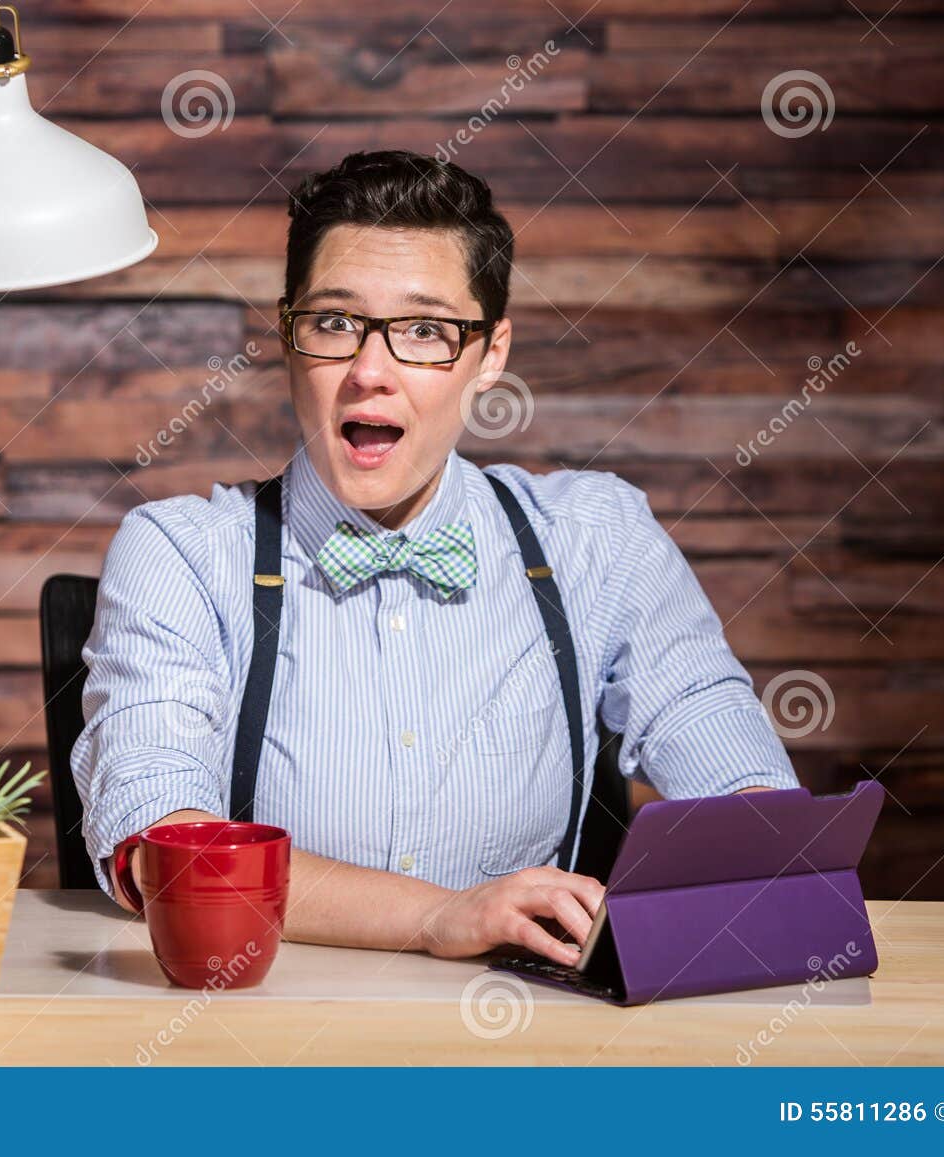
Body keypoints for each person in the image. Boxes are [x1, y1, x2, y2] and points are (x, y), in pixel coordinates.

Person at [73, 149, 799, 967]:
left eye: (425, 331)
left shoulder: (598, 538)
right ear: (286, 336)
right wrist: (438, 916)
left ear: (490, 355)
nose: (369, 373)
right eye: (335, 323)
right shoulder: (183, 553)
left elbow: (742, 789)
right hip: (263, 1038)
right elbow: (168, 847)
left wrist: (760, 846)